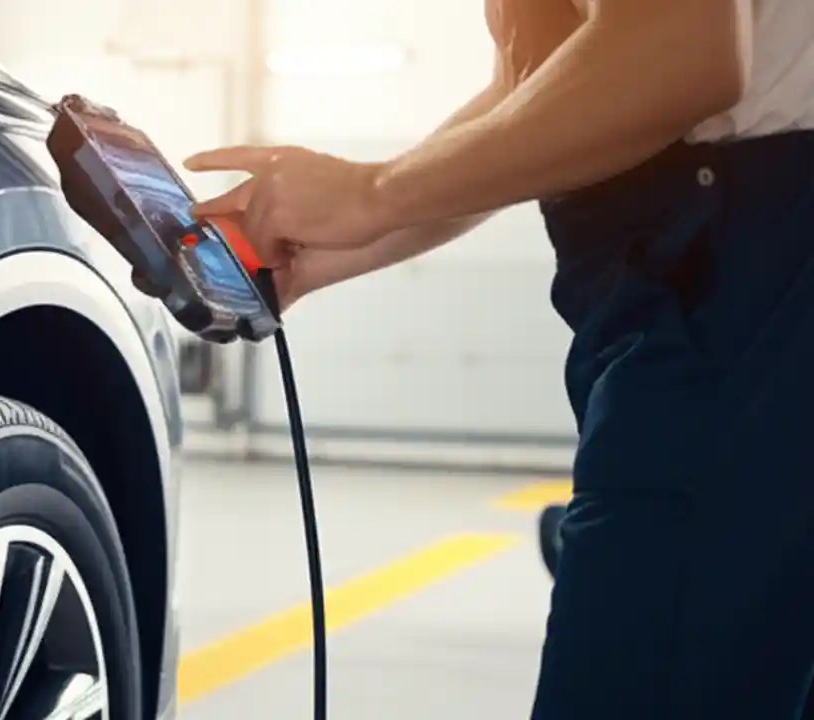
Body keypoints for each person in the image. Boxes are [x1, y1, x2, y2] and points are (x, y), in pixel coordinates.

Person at [183, 1, 814, 718]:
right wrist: (336, 243)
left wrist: (373, 193)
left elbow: (680, 47)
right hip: (724, 276)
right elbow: (533, 89)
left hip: (744, 276)